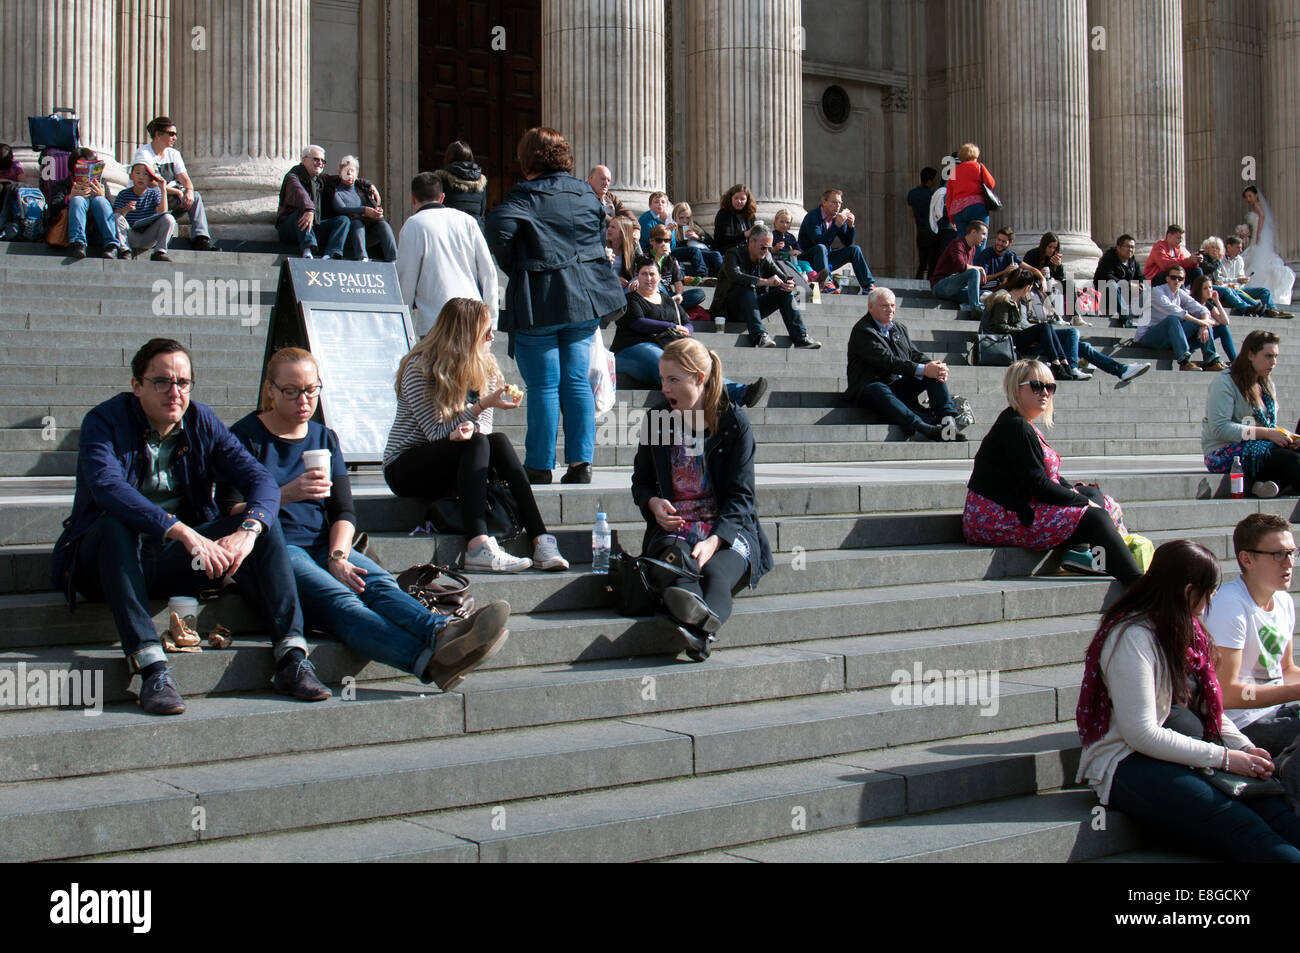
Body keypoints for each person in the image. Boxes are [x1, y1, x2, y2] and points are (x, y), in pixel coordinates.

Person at [51, 338, 331, 715]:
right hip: (102, 564)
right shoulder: (104, 422)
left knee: (266, 524)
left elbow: (260, 480)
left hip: (174, 561)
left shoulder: (201, 421)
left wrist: (247, 532)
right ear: (137, 387)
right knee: (116, 525)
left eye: (183, 382)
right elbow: (108, 489)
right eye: (162, 382)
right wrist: (182, 530)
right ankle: (151, 669)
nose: (175, 392)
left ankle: (292, 657)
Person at [224, 347, 511, 690]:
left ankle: (444, 632)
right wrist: (286, 493)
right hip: (274, 548)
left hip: (322, 543)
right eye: (292, 391)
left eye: (312, 389)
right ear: (270, 390)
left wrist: (338, 556)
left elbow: (344, 511)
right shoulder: (244, 438)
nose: (304, 400)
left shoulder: (323, 438)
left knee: (377, 583)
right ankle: (430, 662)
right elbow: (228, 512)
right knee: (342, 600)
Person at [1076, 539, 1300, 863]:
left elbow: (1211, 708)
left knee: (1276, 810)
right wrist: (1226, 759)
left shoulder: (1188, 629)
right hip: (1134, 763)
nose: (1210, 601)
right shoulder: (1132, 637)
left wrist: (1245, 748)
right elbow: (1141, 734)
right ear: (1188, 592)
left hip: (1196, 754)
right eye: (1208, 593)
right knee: (1243, 827)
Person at [384, 297, 570, 571]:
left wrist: (479, 415)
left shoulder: (486, 367)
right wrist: (482, 405)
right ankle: (478, 545)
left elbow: (481, 434)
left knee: (498, 441)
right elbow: (436, 433)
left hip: (456, 461)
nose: (492, 337)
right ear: (465, 335)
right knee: (482, 441)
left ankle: (541, 538)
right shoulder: (420, 368)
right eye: (486, 332)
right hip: (407, 465)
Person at [486, 127, 626, 486]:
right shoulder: (584, 192)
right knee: (577, 381)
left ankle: (539, 465)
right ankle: (581, 464)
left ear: (529, 158)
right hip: (582, 298)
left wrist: (520, 265)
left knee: (545, 386)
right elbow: (597, 233)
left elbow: (497, 229)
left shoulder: (525, 194)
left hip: (541, 298)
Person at [631, 337, 774, 662]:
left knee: (715, 573)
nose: (664, 388)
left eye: (673, 380)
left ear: (698, 378)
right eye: (662, 379)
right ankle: (701, 632)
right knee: (680, 565)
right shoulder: (657, 419)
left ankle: (697, 629)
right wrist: (653, 503)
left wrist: (713, 541)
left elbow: (741, 498)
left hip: (728, 530)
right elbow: (641, 482)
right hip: (674, 530)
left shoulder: (734, 422)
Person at [963, 360, 1142, 583]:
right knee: (1095, 515)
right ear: (1016, 387)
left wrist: (1081, 495)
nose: (1045, 393)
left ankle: (1078, 552)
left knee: (1095, 495)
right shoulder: (1015, 427)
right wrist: (1082, 503)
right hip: (995, 517)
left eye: (1050, 387)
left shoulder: (1023, 424)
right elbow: (1038, 484)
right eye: (1037, 385)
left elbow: (1047, 478)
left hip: (1018, 507)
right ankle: (1137, 583)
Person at [613, 255, 767, 407]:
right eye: (644, 274)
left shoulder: (667, 300)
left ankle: (741, 392)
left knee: (700, 361)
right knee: (668, 361)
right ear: (637, 277)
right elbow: (638, 323)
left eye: (652, 274)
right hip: (631, 348)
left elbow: (687, 322)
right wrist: (671, 326)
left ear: (659, 277)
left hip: (666, 345)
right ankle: (731, 394)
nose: (648, 278)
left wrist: (686, 330)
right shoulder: (632, 299)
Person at [1207, 514, 1300, 762]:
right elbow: (1226, 693)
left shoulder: (1283, 601)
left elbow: (1286, 670)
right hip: (1244, 724)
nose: (1289, 562)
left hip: (1278, 711)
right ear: (1247, 559)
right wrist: (1295, 691)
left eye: (1292, 552)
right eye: (1278, 554)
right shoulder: (1229, 605)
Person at [846, 286, 971, 443]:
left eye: (892, 305)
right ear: (870, 307)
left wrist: (933, 366)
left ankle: (948, 424)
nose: (890, 310)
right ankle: (924, 428)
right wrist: (924, 369)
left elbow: (914, 354)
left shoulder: (899, 328)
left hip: (898, 385)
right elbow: (887, 361)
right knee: (877, 388)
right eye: (884, 306)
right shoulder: (863, 331)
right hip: (872, 388)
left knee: (934, 374)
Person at [983, 269, 1149, 384]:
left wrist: (1031, 332)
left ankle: (1120, 370)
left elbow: (1024, 324)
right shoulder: (1003, 299)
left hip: (1030, 338)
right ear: (1027, 286)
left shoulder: (1022, 302)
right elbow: (1000, 328)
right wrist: (1029, 334)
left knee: (1075, 338)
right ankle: (1063, 364)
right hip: (1013, 342)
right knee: (1045, 328)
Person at [396, 171, 498, 337]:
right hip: (472, 316)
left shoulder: (413, 225)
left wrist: (402, 322)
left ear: (412, 198)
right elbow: (488, 272)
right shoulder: (467, 221)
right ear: (442, 197)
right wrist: (491, 320)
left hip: (435, 322)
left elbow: (406, 280)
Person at [1202, 329, 1300, 496]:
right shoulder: (1225, 382)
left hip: (1261, 444)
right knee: (1293, 461)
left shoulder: (1266, 383)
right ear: (1250, 355)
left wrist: (1285, 438)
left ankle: (1271, 486)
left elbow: (1269, 426)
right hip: (1225, 451)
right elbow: (1220, 428)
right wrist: (1267, 434)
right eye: (1268, 356)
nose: (1273, 362)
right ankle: (1279, 484)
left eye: (1276, 356)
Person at [710, 224, 821, 349]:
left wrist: (789, 283)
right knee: (747, 286)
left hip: (751, 307)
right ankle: (759, 335)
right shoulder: (733, 254)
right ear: (751, 241)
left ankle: (800, 337)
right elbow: (736, 276)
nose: (766, 251)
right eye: (763, 247)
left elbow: (780, 274)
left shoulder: (766, 256)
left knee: (784, 291)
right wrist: (764, 281)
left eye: (768, 247)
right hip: (728, 309)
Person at [130, 115, 215, 251]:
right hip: (147, 201)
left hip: (167, 198)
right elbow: (151, 183)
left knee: (196, 197)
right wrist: (177, 192)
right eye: (171, 134)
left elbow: (185, 178)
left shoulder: (173, 154)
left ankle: (201, 238)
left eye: (175, 134)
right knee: (157, 192)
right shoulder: (144, 153)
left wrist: (189, 191)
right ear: (158, 135)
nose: (175, 137)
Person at [1137, 266, 1226, 371]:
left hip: (1171, 336)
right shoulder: (1157, 292)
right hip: (1149, 336)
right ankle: (1184, 362)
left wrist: (1204, 325)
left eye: (1180, 278)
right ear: (1167, 279)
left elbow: (1203, 309)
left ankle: (1210, 361)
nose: (1176, 281)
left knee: (1205, 321)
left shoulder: (1181, 293)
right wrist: (1201, 322)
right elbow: (1175, 311)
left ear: (1183, 281)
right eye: (1173, 277)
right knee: (1173, 319)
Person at [47, 147, 126, 261]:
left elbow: (112, 211)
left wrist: (103, 196)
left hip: (96, 231)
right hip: (69, 233)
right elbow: (52, 209)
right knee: (78, 200)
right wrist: (70, 197)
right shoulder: (63, 185)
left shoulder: (101, 183)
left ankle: (111, 245)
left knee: (100, 201)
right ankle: (78, 244)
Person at [275, 144, 349, 259]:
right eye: (316, 159)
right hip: (290, 229)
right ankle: (307, 250)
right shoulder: (293, 176)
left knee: (343, 220)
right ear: (304, 160)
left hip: (312, 228)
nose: (320, 163)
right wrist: (309, 209)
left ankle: (330, 253)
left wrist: (366, 184)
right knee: (302, 212)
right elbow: (299, 193)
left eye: (323, 161)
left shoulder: (320, 180)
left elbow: (345, 179)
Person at [797, 188, 876, 294]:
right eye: (834, 202)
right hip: (809, 258)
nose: (838, 206)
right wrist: (836, 226)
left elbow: (847, 242)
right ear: (824, 202)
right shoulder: (813, 217)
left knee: (854, 250)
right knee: (821, 247)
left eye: (839, 203)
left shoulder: (836, 218)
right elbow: (819, 242)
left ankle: (868, 285)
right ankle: (826, 283)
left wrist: (851, 227)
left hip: (826, 257)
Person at [322, 155, 396, 262]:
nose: (348, 173)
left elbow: (374, 205)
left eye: (351, 170)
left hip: (366, 234)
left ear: (356, 174)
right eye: (345, 170)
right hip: (346, 235)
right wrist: (364, 210)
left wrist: (377, 211)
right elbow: (340, 208)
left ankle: (394, 259)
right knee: (356, 221)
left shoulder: (363, 189)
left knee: (383, 224)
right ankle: (362, 257)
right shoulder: (334, 189)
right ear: (339, 172)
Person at [111, 161, 176, 261]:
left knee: (169, 218)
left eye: (145, 174)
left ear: (150, 179)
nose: (141, 177)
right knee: (116, 217)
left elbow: (163, 212)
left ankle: (159, 252)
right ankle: (125, 251)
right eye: (137, 173)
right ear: (131, 176)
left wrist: (163, 188)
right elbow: (116, 216)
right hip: (130, 235)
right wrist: (126, 209)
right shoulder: (123, 194)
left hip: (148, 236)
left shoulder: (155, 192)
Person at [1242, 186, 1296, 306]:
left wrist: (1259, 233)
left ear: (1256, 195)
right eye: (1246, 197)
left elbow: (1262, 216)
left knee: (1256, 263)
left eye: (1250, 196)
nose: (1248, 199)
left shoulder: (1257, 206)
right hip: (1257, 236)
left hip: (1259, 236)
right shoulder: (1258, 205)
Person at [639, 190, 709, 279]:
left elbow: (672, 244)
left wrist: (670, 231)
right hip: (651, 251)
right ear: (650, 205)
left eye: (663, 202)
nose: (660, 204)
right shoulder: (645, 219)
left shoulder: (668, 218)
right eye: (656, 202)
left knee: (694, 251)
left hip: (667, 250)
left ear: (667, 205)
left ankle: (703, 276)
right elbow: (652, 242)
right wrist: (667, 229)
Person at [931, 220, 987, 318]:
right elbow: (961, 266)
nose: (985, 238)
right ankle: (975, 310)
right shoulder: (957, 244)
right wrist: (980, 268)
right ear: (974, 232)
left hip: (956, 290)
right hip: (940, 286)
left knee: (988, 294)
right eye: (983, 234)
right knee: (974, 272)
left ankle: (975, 309)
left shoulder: (973, 248)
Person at [1222, 234, 1288, 317]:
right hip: (1228, 291)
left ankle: (1273, 310)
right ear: (1229, 247)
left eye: (1241, 247)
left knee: (1264, 291)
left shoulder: (1239, 259)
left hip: (1239, 289)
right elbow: (1219, 280)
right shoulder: (1221, 260)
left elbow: (1240, 277)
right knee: (1246, 298)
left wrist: (1243, 280)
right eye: (1237, 247)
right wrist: (1236, 280)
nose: (1240, 250)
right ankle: (1263, 311)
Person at [945, 143, 995, 251]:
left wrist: (951, 217)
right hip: (976, 207)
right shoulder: (978, 167)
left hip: (958, 211)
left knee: (962, 243)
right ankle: (977, 266)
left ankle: (964, 265)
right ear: (974, 156)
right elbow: (991, 183)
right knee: (980, 240)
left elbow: (949, 196)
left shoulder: (953, 172)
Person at [646, 225, 704, 310]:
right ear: (651, 241)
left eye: (666, 241)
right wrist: (658, 256)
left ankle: (670, 306)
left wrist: (678, 295)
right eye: (659, 241)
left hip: (668, 296)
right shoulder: (645, 258)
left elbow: (678, 283)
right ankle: (673, 307)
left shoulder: (671, 260)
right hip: (653, 295)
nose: (663, 244)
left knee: (699, 294)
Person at [435, 140, 488, 232]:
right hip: (473, 232)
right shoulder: (480, 181)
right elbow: (482, 214)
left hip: (450, 231)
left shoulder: (442, 179)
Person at [975, 226, 1044, 292]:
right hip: (987, 289)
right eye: (998, 240)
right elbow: (981, 280)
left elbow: (1031, 269)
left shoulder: (1010, 255)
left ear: (1010, 242)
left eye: (1003, 242)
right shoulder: (986, 254)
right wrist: (1003, 272)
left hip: (1004, 289)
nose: (1000, 243)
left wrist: (1042, 279)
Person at [1092, 234, 1142, 324]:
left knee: (1147, 288)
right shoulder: (1108, 259)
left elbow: (1141, 277)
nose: (1130, 250)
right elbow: (1107, 277)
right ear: (1118, 247)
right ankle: (1126, 317)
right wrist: (1127, 285)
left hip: (1125, 297)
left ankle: (1143, 318)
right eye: (1127, 246)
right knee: (1112, 285)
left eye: (1133, 247)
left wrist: (1141, 285)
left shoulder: (1133, 262)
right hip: (1106, 298)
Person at [1189, 274, 1238, 361]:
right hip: (1190, 339)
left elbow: (1225, 322)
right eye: (1205, 288)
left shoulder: (1208, 304)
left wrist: (1217, 301)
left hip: (1203, 337)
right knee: (1211, 326)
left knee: (1223, 328)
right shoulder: (1192, 302)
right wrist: (1214, 322)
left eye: (1210, 287)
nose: (1209, 290)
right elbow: (1200, 321)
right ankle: (1212, 360)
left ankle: (1235, 361)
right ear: (1199, 290)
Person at [672, 201, 721, 275]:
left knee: (716, 254)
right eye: (681, 218)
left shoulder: (695, 226)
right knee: (695, 251)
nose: (685, 220)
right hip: (689, 251)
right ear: (676, 216)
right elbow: (675, 245)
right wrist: (684, 238)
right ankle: (703, 275)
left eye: (687, 218)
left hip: (703, 250)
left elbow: (710, 240)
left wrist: (698, 237)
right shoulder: (673, 227)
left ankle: (724, 277)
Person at [907, 166, 940, 280]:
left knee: (922, 263)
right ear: (930, 180)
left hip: (920, 231)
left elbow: (911, 213)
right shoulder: (932, 195)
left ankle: (917, 284)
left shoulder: (912, 193)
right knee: (932, 263)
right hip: (932, 231)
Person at [713, 184, 756, 256]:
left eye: (742, 199)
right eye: (736, 198)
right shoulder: (724, 214)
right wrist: (745, 234)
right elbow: (722, 240)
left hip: (747, 249)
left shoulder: (750, 215)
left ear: (747, 201)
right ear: (731, 198)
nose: (739, 201)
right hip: (727, 250)